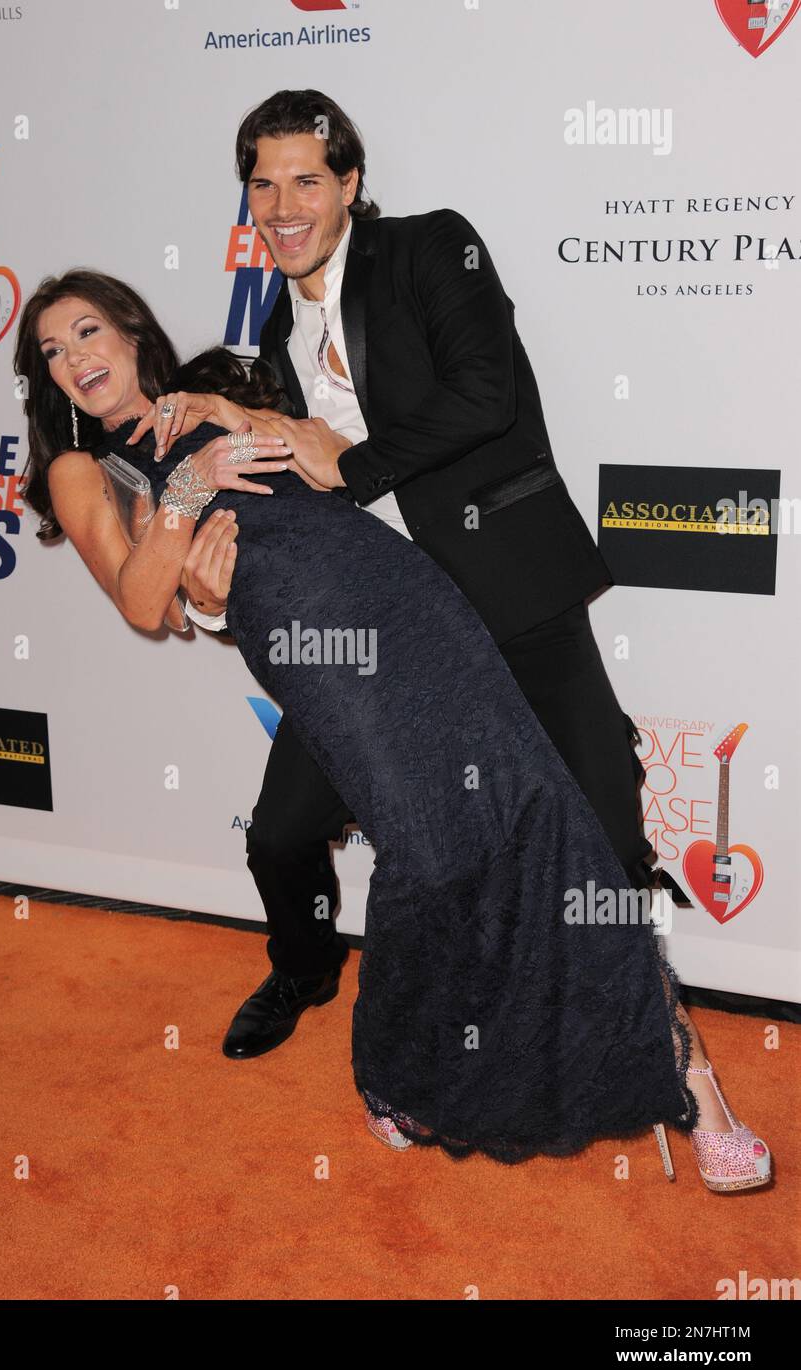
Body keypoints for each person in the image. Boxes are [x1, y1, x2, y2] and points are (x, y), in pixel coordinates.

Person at [13, 268, 771, 1190]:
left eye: (87, 332)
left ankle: (688, 1077)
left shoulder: (218, 382)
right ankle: (406, 1071)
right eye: (52, 351)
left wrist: (231, 416)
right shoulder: (83, 467)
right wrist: (188, 507)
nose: (74, 359)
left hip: (401, 592)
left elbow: (333, 460)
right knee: (429, 849)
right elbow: (141, 598)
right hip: (307, 636)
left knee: (541, 804)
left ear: (131, 334)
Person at [151, 91, 691, 1077]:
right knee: (280, 834)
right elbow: (264, 497)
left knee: (606, 829)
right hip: (376, 632)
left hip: (504, 587)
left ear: (350, 184)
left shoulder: (432, 250)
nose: (281, 204)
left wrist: (346, 460)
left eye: (306, 179)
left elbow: (485, 394)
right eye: (262, 183)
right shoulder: (271, 332)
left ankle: (645, 1030)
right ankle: (307, 966)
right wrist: (209, 577)